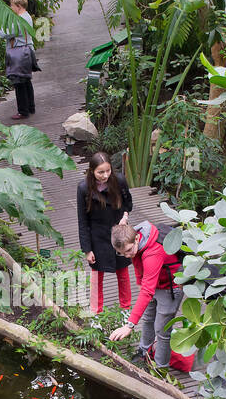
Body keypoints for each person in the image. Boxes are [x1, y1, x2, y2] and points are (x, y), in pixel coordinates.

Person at [108, 219, 190, 371]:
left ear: (137, 238)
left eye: (129, 250)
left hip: (170, 286)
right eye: (122, 253)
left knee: (162, 330)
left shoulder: (153, 252)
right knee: (147, 319)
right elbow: (139, 266)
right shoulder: (135, 241)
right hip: (153, 282)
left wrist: (129, 325)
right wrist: (141, 284)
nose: (127, 255)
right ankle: (143, 352)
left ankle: (160, 368)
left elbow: (147, 290)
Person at [77, 151, 133, 314]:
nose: (105, 175)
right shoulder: (84, 188)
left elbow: (128, 203)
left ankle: (125, 311)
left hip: (118, 233)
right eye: (100, 172)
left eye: (108, 171)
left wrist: (125, 216)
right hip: (97, 236)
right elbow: (82, 221)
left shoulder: (119, 181)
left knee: (123, 274)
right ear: (92, 171)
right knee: (96, 277)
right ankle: (96, 313)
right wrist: (87, 249)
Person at [4, 0, 36, 120]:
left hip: (19, 53)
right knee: (26, 81)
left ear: (18, 6)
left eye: (12, 5)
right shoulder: (27, 16)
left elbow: (7, 34)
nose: (11, 8)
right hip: (26, 51)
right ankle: (30, 107)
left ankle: (23, 111)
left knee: (19, 82)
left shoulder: (20, 19)